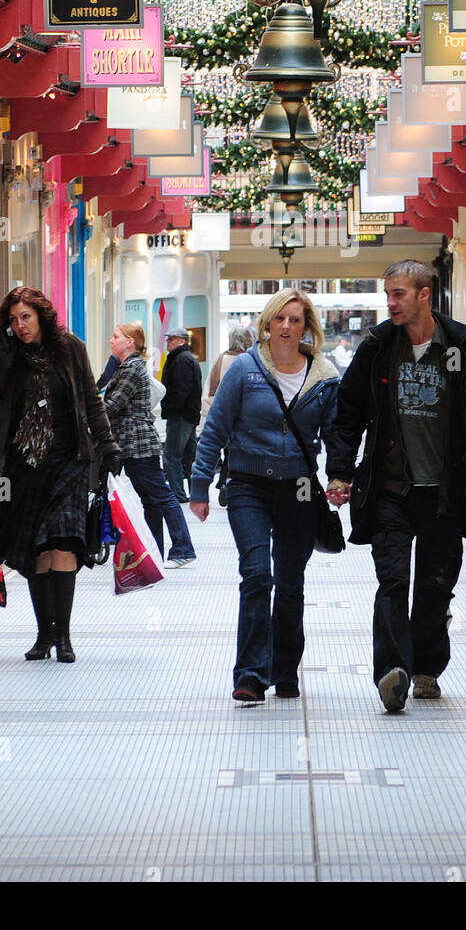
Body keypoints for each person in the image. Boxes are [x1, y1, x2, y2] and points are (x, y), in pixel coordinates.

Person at [325, 260, 466, 714]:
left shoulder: (461, 346)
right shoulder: (379, 348)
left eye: (399, 293)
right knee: (392, 580)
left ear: (425, 295)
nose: (390, 302)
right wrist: (341, 470)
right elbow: (348, 413)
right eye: (387, 294)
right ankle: (392, 670)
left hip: (446, 492)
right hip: (391, 489)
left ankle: (426, 666)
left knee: (434, 586)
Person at [189, 290, 339, 704]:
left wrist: (342, 477)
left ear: (307, 327)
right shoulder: (245, 369)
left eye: (296, 320)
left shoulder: (324, 376)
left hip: (300, 489)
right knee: (257, 575)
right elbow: (215, 428)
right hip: (247, 485)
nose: (287, 327)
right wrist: (199, 486)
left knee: (290, 583)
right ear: (267, 324)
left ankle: (285, 669)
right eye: (280, 320)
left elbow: (337, 434)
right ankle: (251, 674)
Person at [0, 287, 120, 664]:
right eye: (12, 320)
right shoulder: (7, 354)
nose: (20, 326)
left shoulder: (70, 348)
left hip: (68, 459)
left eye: (25, 317)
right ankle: (44, 634)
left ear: (41, 315)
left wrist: (108, 447)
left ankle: (65, 637)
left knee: (63, 542)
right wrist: (5, 352)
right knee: (37, 548)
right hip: (25, 466)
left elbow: (90, 399)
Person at [103, 321, 195, 568]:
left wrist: (85, 413)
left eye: (115, 336)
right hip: (131, 442)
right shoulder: (127, 367)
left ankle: (183, 548)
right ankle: (155, 549)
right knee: (151, 499)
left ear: (130, 342)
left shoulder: (132, 368)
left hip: (138, 442)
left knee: (161, 496)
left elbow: (114, 404)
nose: (111, 341)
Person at [200, 326, 255, 505]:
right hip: (245, 418)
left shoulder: (221, 359)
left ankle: (225, 482)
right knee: (238, 453)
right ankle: (229, 483)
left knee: (227, 451)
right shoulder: (250, 360)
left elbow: (209, 390)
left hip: (222, 417)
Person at [161, 326, 202, 504]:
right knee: (189, 456)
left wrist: (173, 408)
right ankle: (195, 492)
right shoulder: (187, 359)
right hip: (189, 416)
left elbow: (181, 390)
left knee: (172, 455)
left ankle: (177, 494)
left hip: (181, 416)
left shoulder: (180, 360)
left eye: (171, 339)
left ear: (181, 341)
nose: (167, 342)